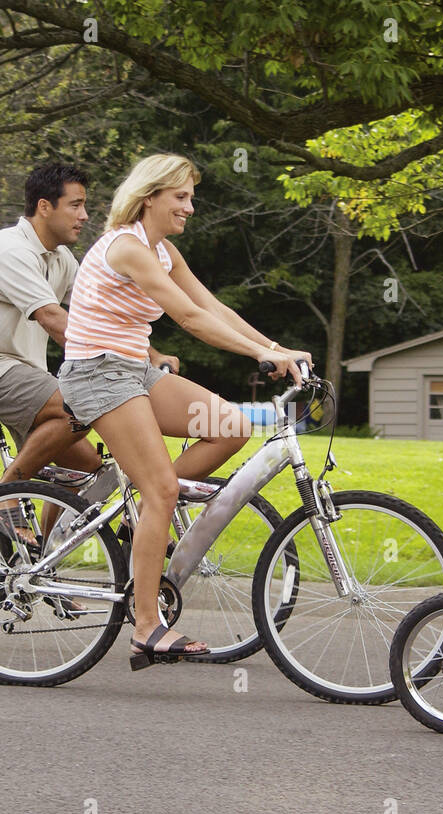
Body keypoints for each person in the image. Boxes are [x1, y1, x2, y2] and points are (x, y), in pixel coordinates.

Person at [57, 153, 311, 667]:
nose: (190, 207)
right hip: (97, 375)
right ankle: (146, 628)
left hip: (134, 372)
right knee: (164, 490)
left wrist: (275, 348)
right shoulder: (127, 248)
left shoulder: (163, 250)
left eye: (191, 197)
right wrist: (260, 355)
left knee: (234, 427)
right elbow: (191, 319)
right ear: (149, 196)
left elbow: (213, 305)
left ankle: (143, 512)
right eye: (180, 196)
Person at [0, 162, 178, 534]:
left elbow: (99, 318)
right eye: (75, 205)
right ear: (44, 207)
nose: (84, 216)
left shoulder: (61, 259)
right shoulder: (9, 252)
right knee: (77, 403)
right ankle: (3, 493)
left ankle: (44, 557)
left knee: (84, 470)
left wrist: (152, 356)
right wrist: (119, 366)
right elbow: (57, 321)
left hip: (27, 376)